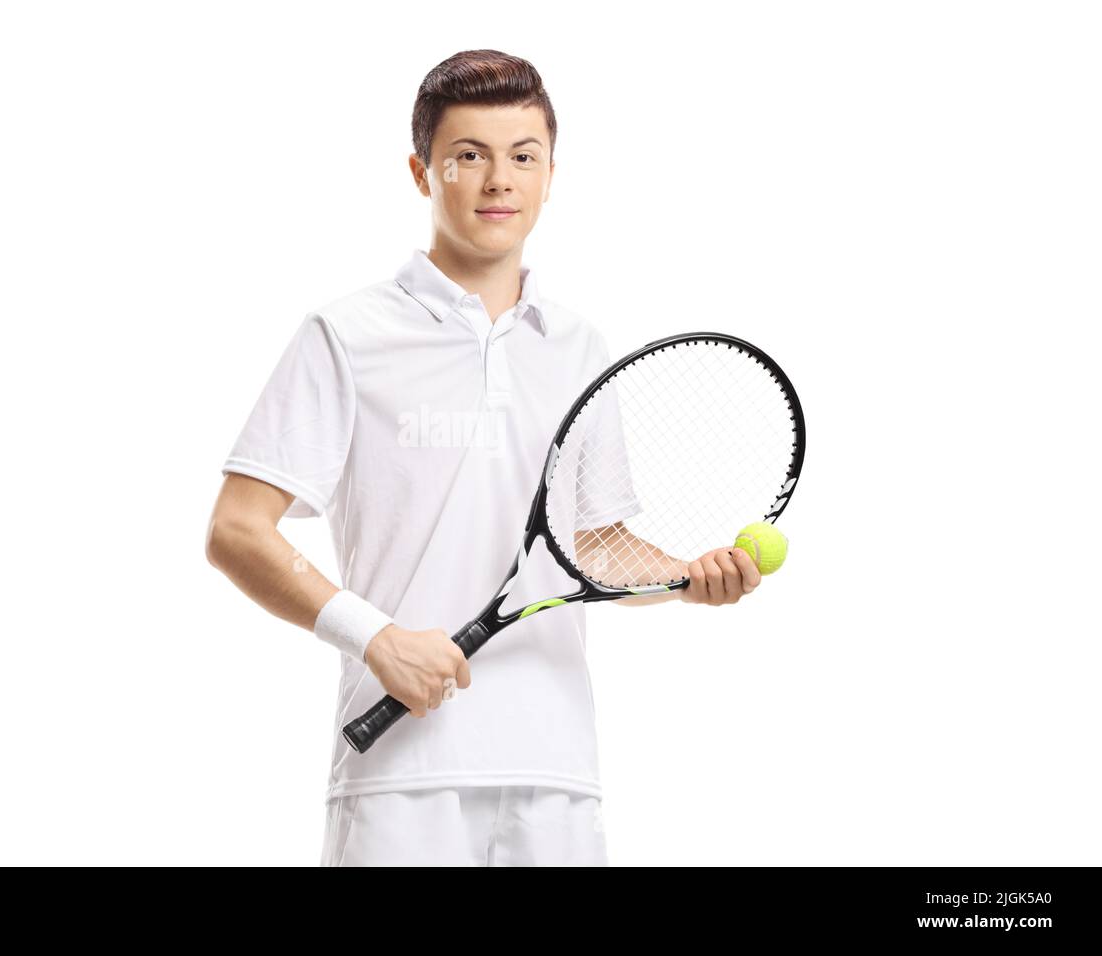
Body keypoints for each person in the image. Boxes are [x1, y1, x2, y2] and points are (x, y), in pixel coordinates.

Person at [206, 49, 762, 866]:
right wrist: (377, 639)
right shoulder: (346, 334)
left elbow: (594, 548)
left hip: (555, 769)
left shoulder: (579, 347)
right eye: (469, 155)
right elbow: (236, 532)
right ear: (422, 171)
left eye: (522, 157)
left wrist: (686, 577)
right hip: (398, 777)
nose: (499, 179)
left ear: (549, 175)